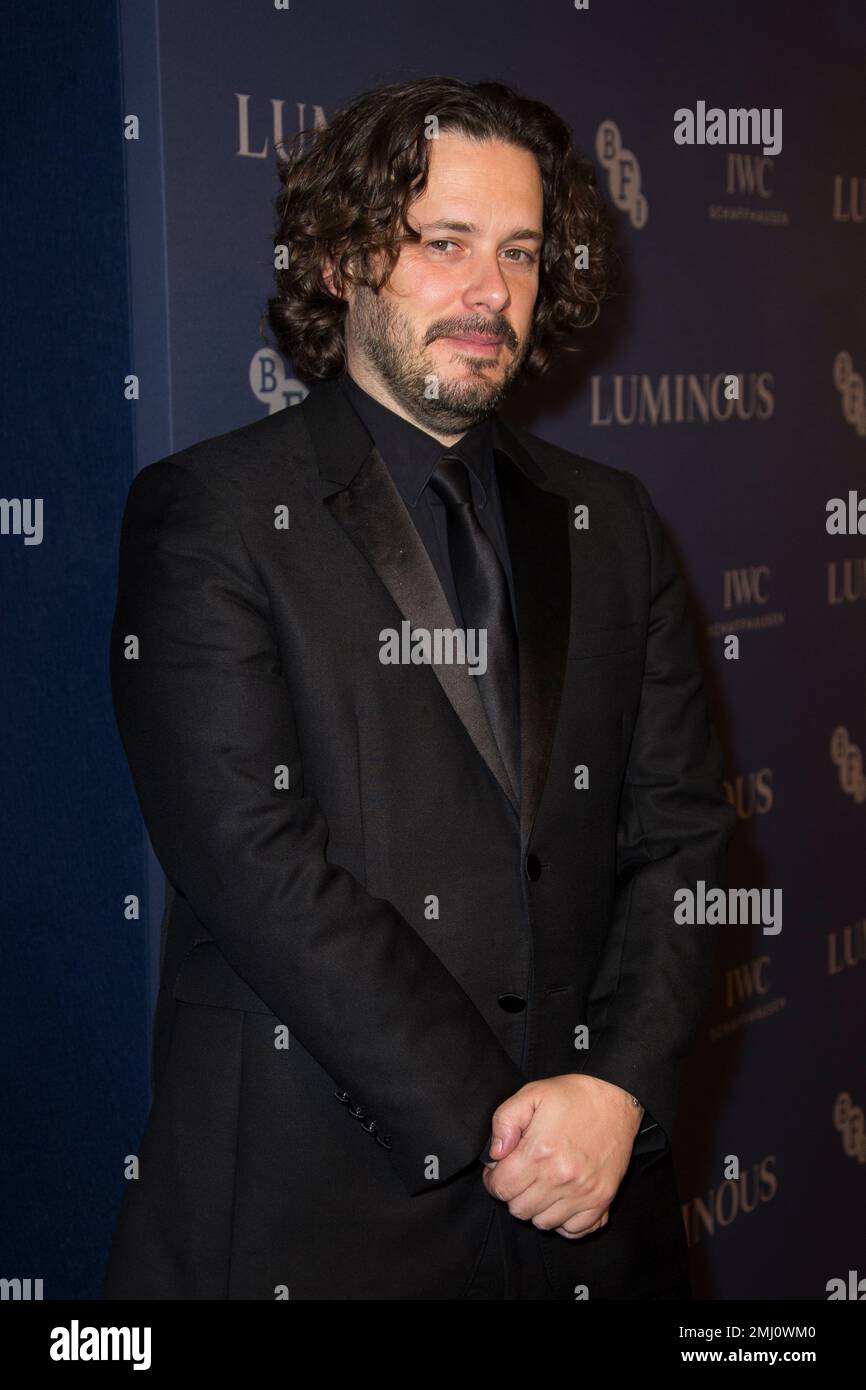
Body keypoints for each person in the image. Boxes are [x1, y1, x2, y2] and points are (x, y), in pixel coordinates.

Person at [103, 75, 736, 1301]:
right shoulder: (211, 515)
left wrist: (611, 1089)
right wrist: (509, 1123)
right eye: (441, 243)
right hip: (317, 1201)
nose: (489, 292)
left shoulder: (610, 520)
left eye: (517, 251)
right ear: (341, 260)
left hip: (590, 1205)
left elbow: (682, 835)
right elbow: (251, 855)